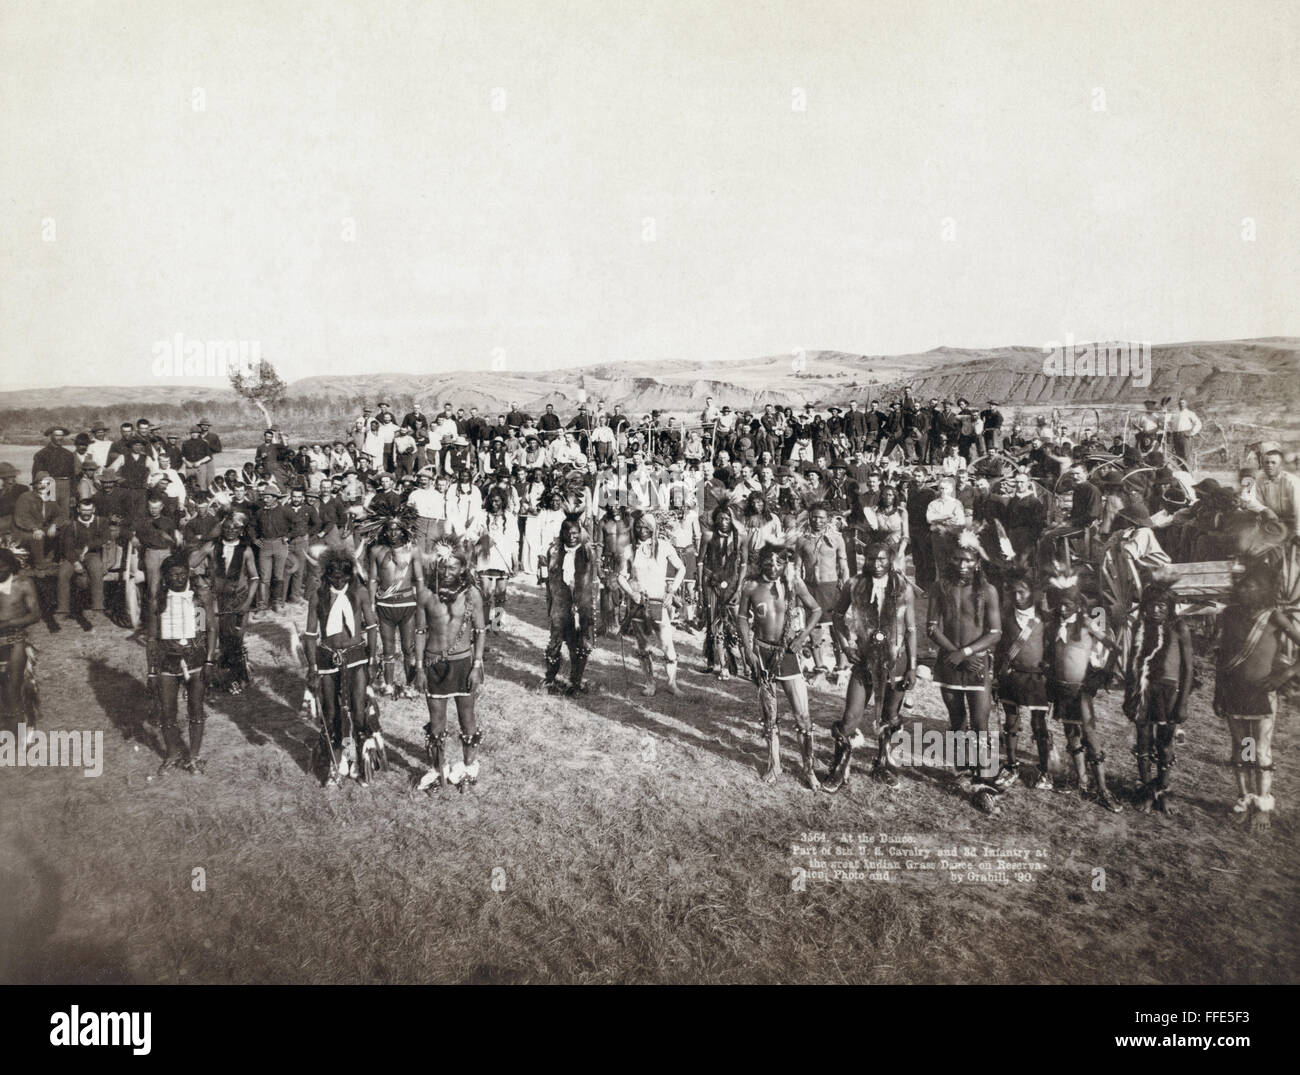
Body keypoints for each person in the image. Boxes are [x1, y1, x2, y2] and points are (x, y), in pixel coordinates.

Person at [824, 542, 916, 792]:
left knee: (889, 717)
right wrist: (845, 646)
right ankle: (840, 769)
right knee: (850, 718)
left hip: (896, 664)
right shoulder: (854, 584)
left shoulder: (903, 587)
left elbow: (910, 629)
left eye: (882, 560)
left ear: (891, 560)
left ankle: (883, 765)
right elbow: (837, 616)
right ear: (865, 559)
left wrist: (913, 666)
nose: (877, 565)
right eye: (872, 559)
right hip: (864, 663)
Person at [926, 531, 1003, 814]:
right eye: (957, 559)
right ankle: (963, 770)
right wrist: (955, 654)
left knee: (981, 723)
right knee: (957, 720)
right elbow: (931, 627)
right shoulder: (939, 587)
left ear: (977, 562)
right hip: (950, 664)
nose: (962, 565)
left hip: (977, 664)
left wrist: (967, 653)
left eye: (968, 560)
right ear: (950, 560)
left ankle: (985, 778)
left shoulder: (988, 591)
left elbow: (995, 632)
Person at [738, 543, 822, 788]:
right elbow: (742, 617)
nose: (773, 568)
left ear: (786, 564)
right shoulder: (751, 586)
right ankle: (775, 764)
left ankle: (809, 768)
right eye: (768, 563)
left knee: (803, 717)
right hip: (762, 653)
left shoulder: (793, 584)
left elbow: (816, 610)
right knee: (769, 715)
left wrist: (801, 636)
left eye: (779, 563)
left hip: (788, 654)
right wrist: (747, 648)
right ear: (760, 563)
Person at [1042, 570, 1123, 812]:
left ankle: (1103, 789)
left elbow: (1113, 647)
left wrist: (1102, 673)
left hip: (1081, 690)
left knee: (1090, 736)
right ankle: (1083, 782)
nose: (1063, 609)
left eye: (1068, 605)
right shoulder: (1054, 623)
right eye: (1060, 605)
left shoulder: (1086, 624)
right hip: (1061, 689)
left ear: (1078, 605)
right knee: (1071, 733)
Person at [304, 549, 382, 786]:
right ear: (326, 574)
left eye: (343, 575)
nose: (338, 580)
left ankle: (360, 764)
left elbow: (371, 626)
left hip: (356, 657)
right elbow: (310, 634)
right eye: (333, 576)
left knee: (358, 712)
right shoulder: (318, 596)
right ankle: (335, 767)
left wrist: (372, 660)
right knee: (330, 714)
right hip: (327, 658)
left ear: (350, 573)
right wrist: (312, 668)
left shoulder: (359, 593)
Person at [415, 542, 487, 792]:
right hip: (434, 664)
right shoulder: (426, 593)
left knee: (468, 719)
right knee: (436, 723)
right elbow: (421, 631)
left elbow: (480, 631)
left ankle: (468, 769)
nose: (447, 571)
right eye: (444, 566)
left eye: (453, 567)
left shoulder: (472, 594)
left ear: (463, 567)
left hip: (463, 663)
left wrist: (477, 665)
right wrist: (419, 668)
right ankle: (438, 771)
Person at [1122, 574, 1194, 815]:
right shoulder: (1139, 627)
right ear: (1144, 606)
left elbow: (1188, 668)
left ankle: (1162, 789)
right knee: (1143, 738)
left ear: (1170, 607)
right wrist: (1128, 695)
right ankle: (1145, 788)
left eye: (1161, 605)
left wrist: (1182, 703)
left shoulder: (1179, 627)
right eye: (1151, 605)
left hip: (1169, 693)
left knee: (1164, 743)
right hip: (1142, 690)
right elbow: (1132, 663)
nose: (1155, 610)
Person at [146, 553, 217, 777]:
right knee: (167, 712)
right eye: (174, 575)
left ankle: (193, 757)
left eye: (183, 574)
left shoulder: (197, 598)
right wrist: (152, 671)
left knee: (196, 709)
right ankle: (172, 754)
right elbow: (152, 638)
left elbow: (208, 630)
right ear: (165, 578)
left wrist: (208, 660)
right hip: (167, 663)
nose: (179, 579)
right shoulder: (158, 601)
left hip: (195, 661)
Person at [992, 571, 1052, 791]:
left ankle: (1044, 770)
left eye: (1023, 592)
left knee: (1039, 724)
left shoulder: (1044, 618)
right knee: (1011, 722)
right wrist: (997, 674)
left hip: (1036, 677)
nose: (1018, 596)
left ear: (1033, 593)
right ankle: (1011, 765)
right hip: (1011, 675)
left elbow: (1051, 647)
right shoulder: (1006, 615)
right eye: (1014, 592)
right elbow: (999, 647)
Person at [618, 511, 685, 697]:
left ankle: (672, 683)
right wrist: (632, 593)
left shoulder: (663, 546)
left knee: (666, 644)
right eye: (638, 526)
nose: (642, 530)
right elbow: (621, 576)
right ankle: (649, 683)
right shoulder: (629, 549)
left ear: (653, 527)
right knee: (643, 645)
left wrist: (672, 591)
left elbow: (681, 568)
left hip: (659, 602)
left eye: (646, 526)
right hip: (639, 604)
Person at [364, 505, 427, 698]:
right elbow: (373, 579)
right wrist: (371, 605)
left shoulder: (413, 551)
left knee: (408, 647)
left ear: (404, 529)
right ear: (383, 529)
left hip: (407, 604)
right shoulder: (376, 551)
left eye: (397, 528)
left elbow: (419, 579)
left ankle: (409, 684)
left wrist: (422, 605)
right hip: (384, 605)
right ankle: (389, 684)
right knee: (388, 647)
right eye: (389, 528)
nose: (393, 533)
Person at [542, 517, 597, 694]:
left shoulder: (587, 552)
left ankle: (576, 680)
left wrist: (586, 606)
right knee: (555, 641)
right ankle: (550, 678)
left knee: (580, 644)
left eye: (575, 533)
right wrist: (551, 604)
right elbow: (549, 582)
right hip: (560, 603)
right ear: (562, 533)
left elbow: (593, 582)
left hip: (582, 604)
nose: (572, 536)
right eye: (568, 532)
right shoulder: (554, 551)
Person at [795, 504, 848, 682]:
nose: (817, 521)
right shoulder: (802, 540)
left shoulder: (836, 538)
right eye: (814, 517)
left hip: (832, 586)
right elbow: (797, 567)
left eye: (821, 518)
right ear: (809, 518)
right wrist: (798, 587)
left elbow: (843, 564)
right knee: (814, 629)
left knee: (837, 628)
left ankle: (841, 668)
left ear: (828, 519)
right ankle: (820, 668)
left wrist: (845, 586)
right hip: (811, 587)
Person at [700, 504, 747, 679]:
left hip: (733, 584)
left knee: (736, 624)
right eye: (721, 518)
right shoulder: (708, 535)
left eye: (728, 518)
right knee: (714, 623)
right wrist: (701, 586)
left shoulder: (740, 536)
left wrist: (739, 588)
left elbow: (744, 564)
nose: (724, 522)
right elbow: (700, 561)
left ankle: (746, 664)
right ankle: (719, 664)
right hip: (712, 583)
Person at [0, 549, 42, 736]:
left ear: (10, 566)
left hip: (15, 641)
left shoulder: (23, 584)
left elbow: (35, 614)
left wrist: (8, 623)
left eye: (1, 568)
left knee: (13, 687)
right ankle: (8, 726)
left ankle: (21, 731)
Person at [56, 497, 111, 621]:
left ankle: (98, 608)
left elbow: (105, 538)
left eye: (89, 510)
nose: (87, 513)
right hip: (73, 554)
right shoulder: (72, 525)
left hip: (92, 554)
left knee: (97, 569)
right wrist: (75, 563)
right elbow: (67, 547)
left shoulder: (100, 522)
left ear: (93, 509)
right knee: (63, 573)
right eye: (84, 510)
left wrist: (89, 546)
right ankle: (62, 609)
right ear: (78, 510)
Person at [1256, 442, 1300, 534]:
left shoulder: (1291, 481)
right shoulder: (1260, 480)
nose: (1269, 465)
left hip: (1293, 523)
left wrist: (1298, 531)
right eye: (1267, 462)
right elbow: (1257, 502)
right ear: (1263, 465)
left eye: (1273, 463)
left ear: (1281, 465)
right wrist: (1266, 510)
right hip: (1272, 523)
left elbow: (1298, 508)